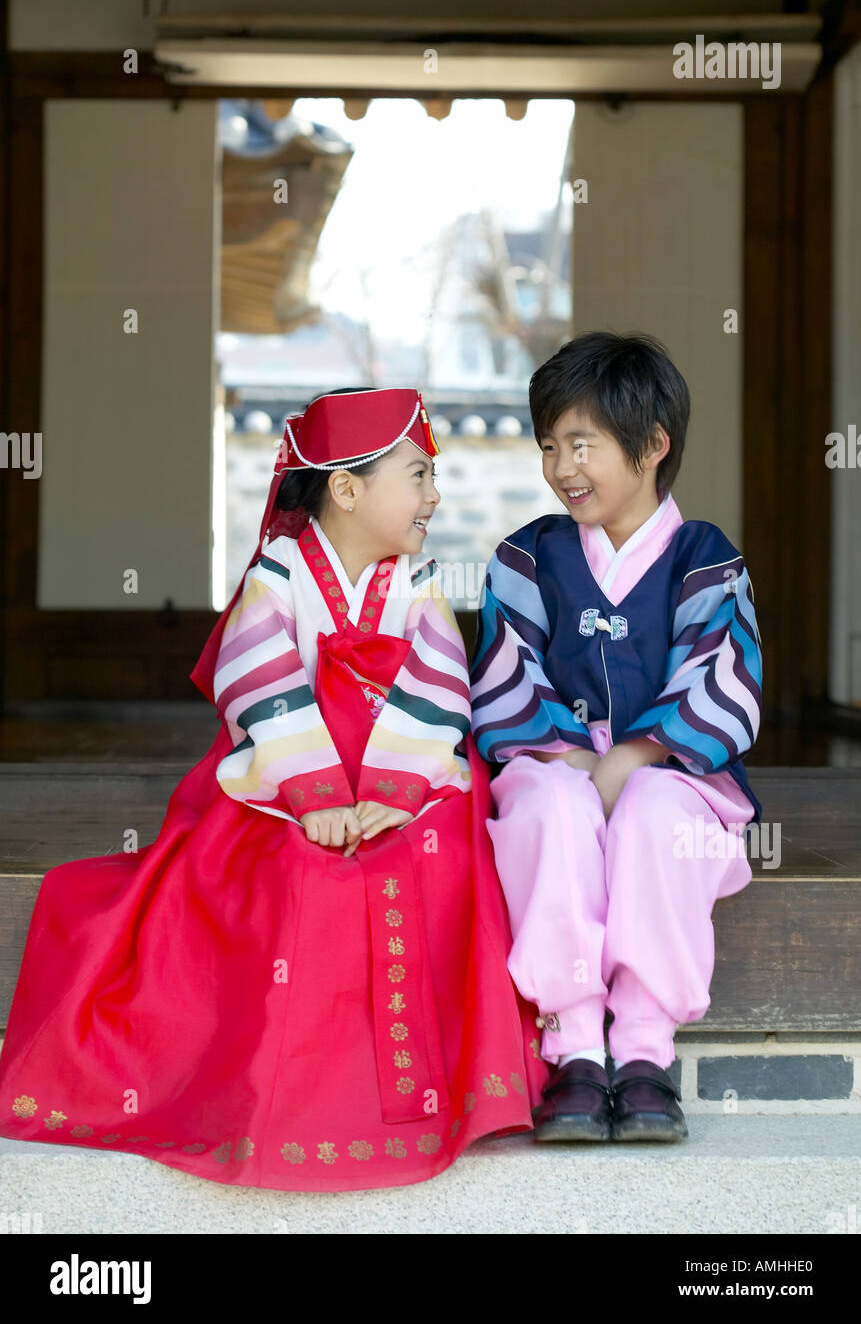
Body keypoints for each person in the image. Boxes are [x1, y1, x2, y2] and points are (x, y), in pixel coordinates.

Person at [0, 386, 547, 1191]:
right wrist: (317, 796)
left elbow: (440, 687)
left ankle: (447, 1088)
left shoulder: (417, 581)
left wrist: (394, 792)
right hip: (286, 782)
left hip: (399, 783)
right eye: (418, 475)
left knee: (449, 852)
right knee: (289, 876)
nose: (435, 495)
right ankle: (288, 1095)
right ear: (348, 488)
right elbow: (259, 686)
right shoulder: (278, 575)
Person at [469, 333, 763, 1144]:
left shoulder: (706, 558)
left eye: (582, 444)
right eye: (549, 445)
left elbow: (722, 678)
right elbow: (503, 673)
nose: (563, 466)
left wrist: (631, 758)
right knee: (549, 809)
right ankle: (572, 1045)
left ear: (653, 445)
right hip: (553, 759)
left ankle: (641, 1050)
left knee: (656, 815)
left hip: (671, 771)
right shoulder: (525, 557)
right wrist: (571, 760)